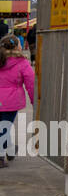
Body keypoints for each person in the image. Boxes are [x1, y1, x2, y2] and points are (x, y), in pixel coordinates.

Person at [0, 34, 35, 166]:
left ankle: (9, 148)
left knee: (2, 127)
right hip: (11, 101)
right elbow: (30, 83)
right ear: (17, 47)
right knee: (4, 127)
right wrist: (33, 101)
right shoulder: (22, 63)